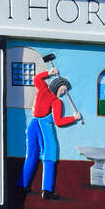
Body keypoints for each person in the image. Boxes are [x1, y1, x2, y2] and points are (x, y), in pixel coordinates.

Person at [21, 65, 79, 199]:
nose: (63, 93)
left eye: (65, 91)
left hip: (33, 124)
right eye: (63, 90)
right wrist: (74, 118)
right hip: (43, 125)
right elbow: (59, 122)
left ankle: (22, 185)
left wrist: (49, 73)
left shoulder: (43, 89)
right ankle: (47, 190)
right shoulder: (56, 101)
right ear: (58, 86)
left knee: (32, 155)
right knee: (50, 153)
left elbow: (36, 79)